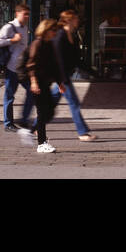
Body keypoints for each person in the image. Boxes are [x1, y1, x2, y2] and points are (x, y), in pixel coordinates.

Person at [16, 18, 62, 153]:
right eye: (53, 30)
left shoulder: (49, 44)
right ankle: (41, 143)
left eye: (56, 30)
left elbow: (54, 66)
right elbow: (31, 64)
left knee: (49, 111)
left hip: (44, 80)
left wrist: (60, 83)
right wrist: (33, 81)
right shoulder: (38, 43)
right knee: (42, 111)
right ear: (46, 30)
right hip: (35, 80)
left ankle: (29, 132)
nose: (55, 33)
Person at [54, 11, 96, 142]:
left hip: (65, 75)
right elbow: (58, 59)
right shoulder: (60, 35)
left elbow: (77, 59)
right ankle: (82, 132)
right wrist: (61, 79)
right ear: (69, 20)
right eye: (76, 19)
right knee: (74, 103)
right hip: (62, 76)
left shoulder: (73, 35)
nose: (78, 21)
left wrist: (92, 71)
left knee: (50, 103)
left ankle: (35, 127)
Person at [0, 5, 35, 131]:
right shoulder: (9, 27)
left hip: (22, 69)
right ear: (17, 13)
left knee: (32, 91)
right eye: (25, 14)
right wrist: (12, 40)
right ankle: (8, 124)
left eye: (28, 14)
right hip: (11, 68)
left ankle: (23, 119)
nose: (27, 16)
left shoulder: (25, 28)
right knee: (9, 96)